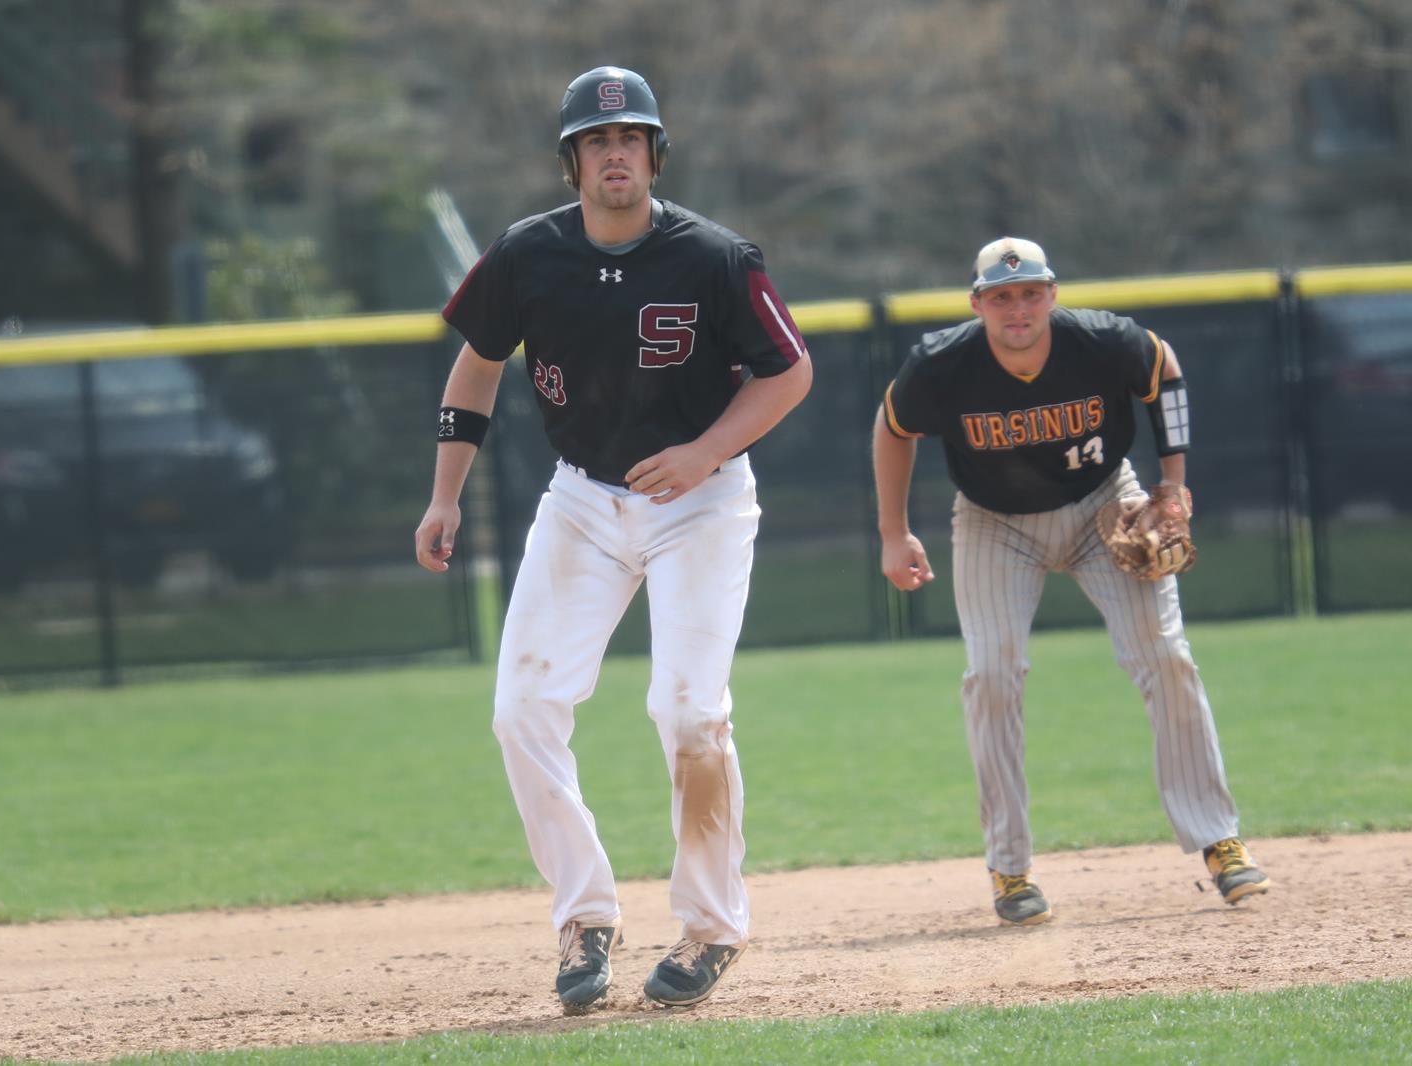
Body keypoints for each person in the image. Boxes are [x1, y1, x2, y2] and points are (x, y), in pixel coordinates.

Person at [414, 66, 812, 1011]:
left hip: (701, 501)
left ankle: (712, 928)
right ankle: (585, 917)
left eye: (630, 137)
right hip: (584, 498)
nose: (615, 153)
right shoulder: (529, 253)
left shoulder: (714, 256)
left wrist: (706, 450)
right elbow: (476, 365)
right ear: (573, 163)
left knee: (689, 712)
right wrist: (443, 497)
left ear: (655, 154)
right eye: (596, 141)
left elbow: (789, 372)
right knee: (521, 709)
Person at [871, 236, 1270, 927]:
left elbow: (1165, 369)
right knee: (992, 676)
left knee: (1165, 655)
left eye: (1031, 293)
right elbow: (893, 427)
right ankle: (1010, 867)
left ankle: (1218, 840)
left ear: (1052, 295)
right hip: (994, 522)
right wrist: (892, 531)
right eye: (1002, 296)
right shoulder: (941, 363)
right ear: (977, 304)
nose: (1018, 308)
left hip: (1104, 505)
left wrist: (1172, 483)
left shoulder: (1102, 341)